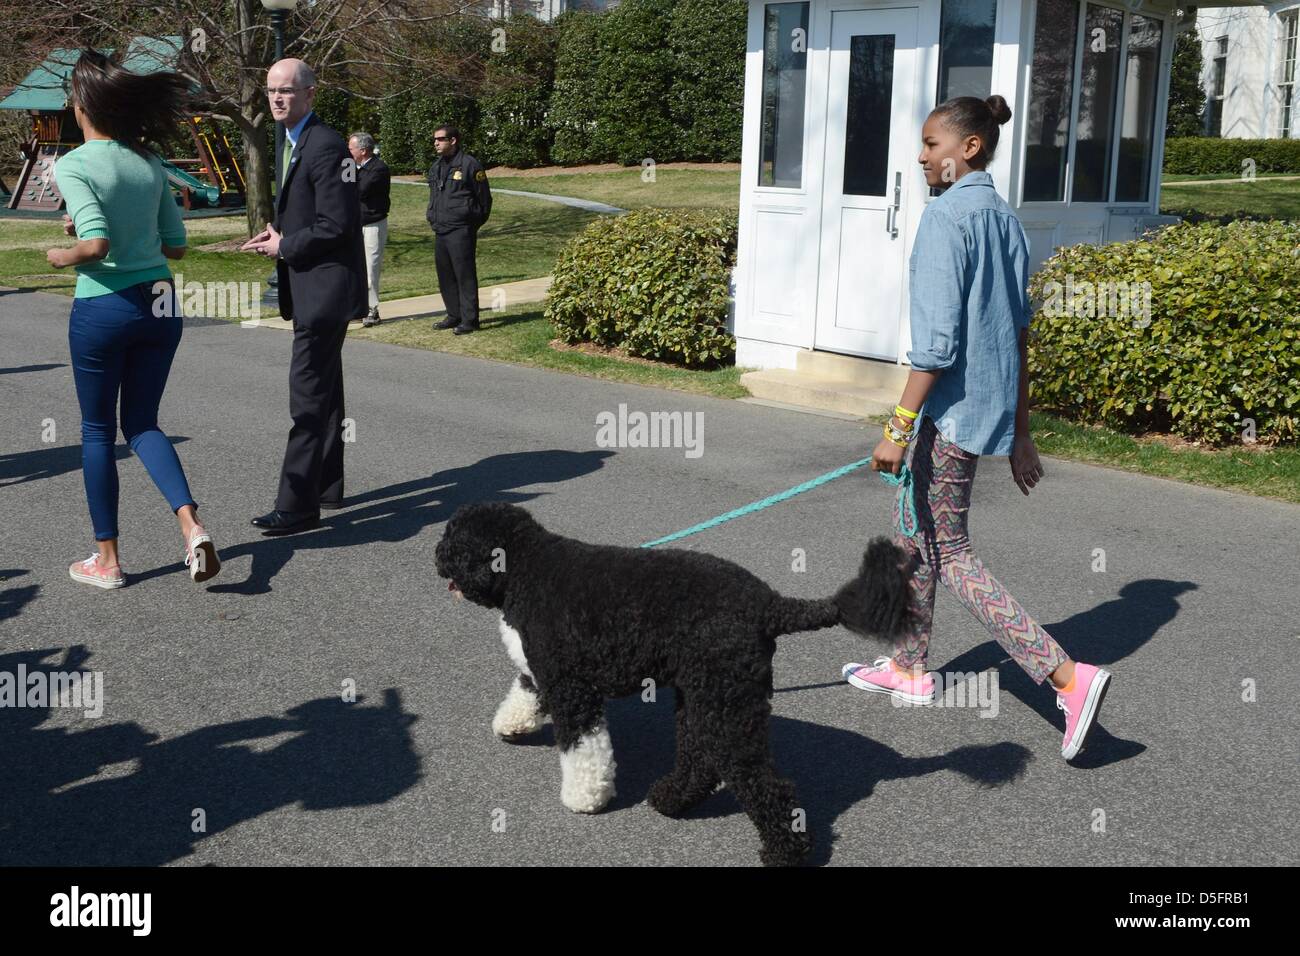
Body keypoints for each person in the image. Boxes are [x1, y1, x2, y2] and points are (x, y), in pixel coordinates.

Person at [843, 95, 1112, 761]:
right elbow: (1019, 334)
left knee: (951, 553)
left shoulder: (947, 221)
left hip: (947, 417)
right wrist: (1021, 432)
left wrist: (897, 428)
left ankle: (1068, 678)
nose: (921, 156)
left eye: (933, 144)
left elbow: (934, 347)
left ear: (969, 148)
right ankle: (908, 668)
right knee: (916, 539)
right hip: (980, 414)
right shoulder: (1005, 220)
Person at [49, 48, 220, 589]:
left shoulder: (73, 165)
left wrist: (62, 255)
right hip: (161, 304)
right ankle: (192, 527)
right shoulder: (147, 163)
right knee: (143, 423)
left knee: (97, 431)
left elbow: (95, 243)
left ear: (82, 104)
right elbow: (177, 246)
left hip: (106, 305)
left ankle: (108, 561)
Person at [242, 58, 366, 534]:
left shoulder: (326, 145)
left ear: (311, 94)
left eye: (287, 90)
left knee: (307, 399)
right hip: (316, 289)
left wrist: (285, 246)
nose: (277, 98)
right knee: (327, 390)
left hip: (324, 294)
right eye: (272, 89)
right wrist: (280, 234)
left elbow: (338, 224)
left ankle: (296, 505)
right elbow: (315, 215)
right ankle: (326, 487)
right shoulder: (297, 141)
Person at [425, 124, 492, 335]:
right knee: (445, 275)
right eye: (435, 139)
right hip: (441, 229)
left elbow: (484, 200)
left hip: (461, 229)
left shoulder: (470, 165)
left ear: (453, 140)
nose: (436, 142)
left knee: (464, 275)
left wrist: (470, 222)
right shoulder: (436, 166)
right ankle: (454, 315)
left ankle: (470, 319)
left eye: (441, 139)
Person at [348, 131, 390, 327]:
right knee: (354, 268)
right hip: (355, 225)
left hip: (373, 224)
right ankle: (357, 307)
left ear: (363, 150)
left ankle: (372, 310)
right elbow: (340, 190)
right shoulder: (351, 166)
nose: (347, 152)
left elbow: (359, 191)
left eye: (351, 148)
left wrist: (348, 171)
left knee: (370, 269)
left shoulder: (378, 169)